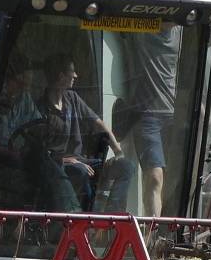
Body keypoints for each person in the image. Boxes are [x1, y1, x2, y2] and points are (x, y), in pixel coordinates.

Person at [36, 54, 123, 210]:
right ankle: (88, 218)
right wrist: (66, 160)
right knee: (81, 172)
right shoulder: (41, 109)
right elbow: (40, 153)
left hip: (81, 160)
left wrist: (117, 151)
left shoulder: (72, 98)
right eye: (72, 71)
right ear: (61, 76)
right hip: (58, 166)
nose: (75, 76)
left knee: (125, 167)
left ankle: (110, 217)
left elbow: (98, 123)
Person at [124, 27, 182, 216]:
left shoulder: (180, 30)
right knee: (155, 177)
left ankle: (165, 233)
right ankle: (152, 235)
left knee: (175, 179)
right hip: (146, 115)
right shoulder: (141, 26)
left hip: (174, 113)